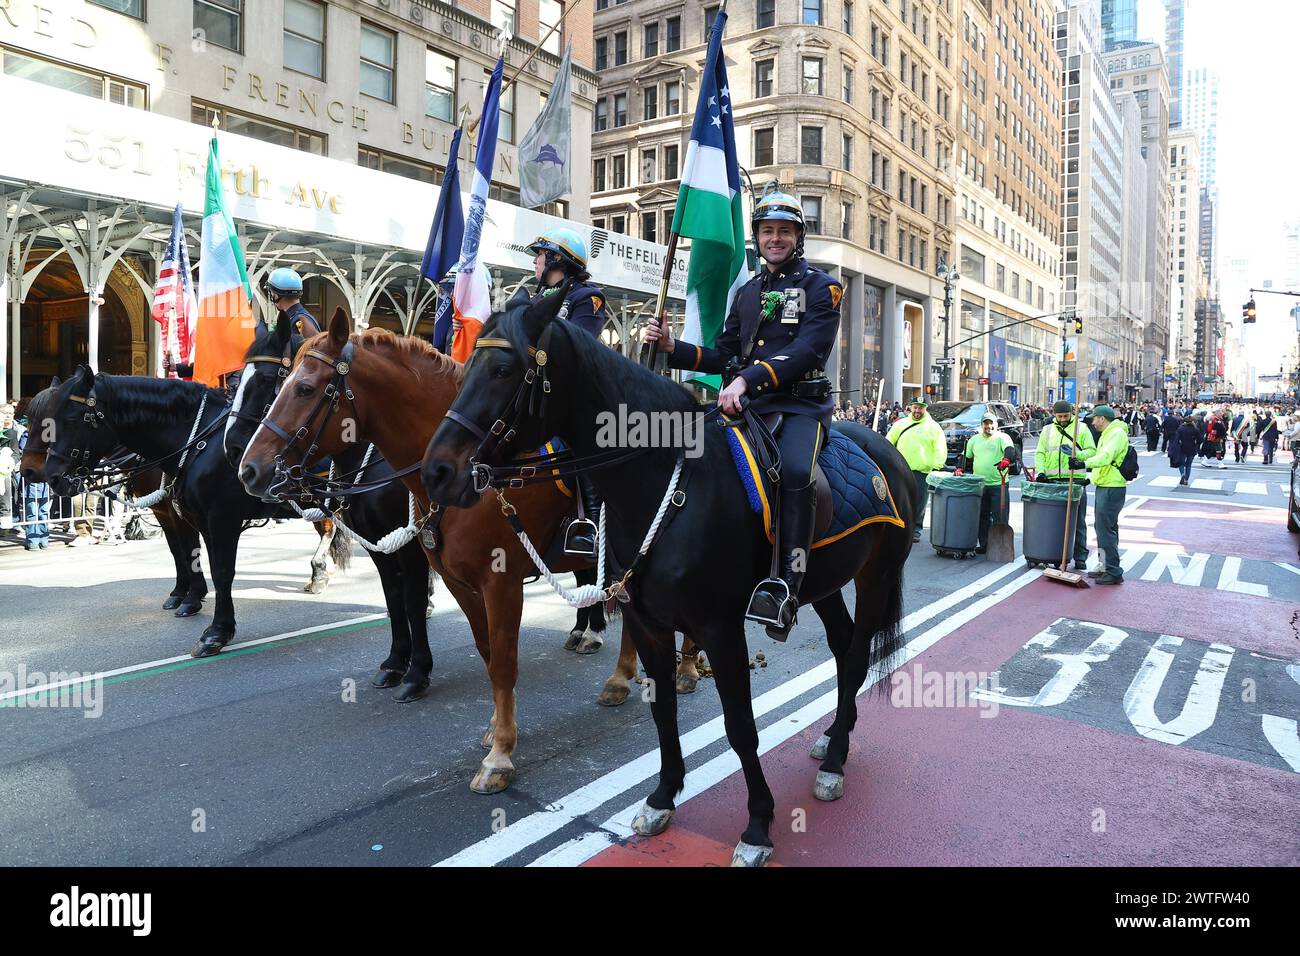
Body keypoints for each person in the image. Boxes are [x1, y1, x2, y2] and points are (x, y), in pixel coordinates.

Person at [645, 188, 841, 640]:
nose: (776, 239)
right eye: (768, 231)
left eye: (784, 231)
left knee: (795, 471)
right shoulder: (749, 292)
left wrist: (746, 380)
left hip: (800, 405)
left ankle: (786, 586)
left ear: (798, 237)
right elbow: (726, 355)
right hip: (749, 404)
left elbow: (808, 350)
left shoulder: (821, 286)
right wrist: (674, 349)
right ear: (757, 237)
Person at [522, 227, 610, 556]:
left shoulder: (587, 296)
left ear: (557, 259)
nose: (535, 263)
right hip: (536, 391)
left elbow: (580, 346)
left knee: (580, 444)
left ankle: (589, 524)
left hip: (576, 394)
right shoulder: (535, 299)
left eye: (539, 256)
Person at [1069, 405, 1129, 585]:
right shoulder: (1111, 433)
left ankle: (1113, 570)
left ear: (1102, 418)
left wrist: (1082, 463)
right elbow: (1106, 464)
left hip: (1112, 487)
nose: (1093, 422)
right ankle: (1106, 566)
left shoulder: (1116, 434)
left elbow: (1105, 458)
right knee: (1106, 528)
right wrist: (1090, 480)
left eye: (1094, 418)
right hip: (1107, 484)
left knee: (1105, 530)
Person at [1034, 399, 1096, 571]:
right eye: (1059, 416)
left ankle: (1080, 556)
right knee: (1055, 522)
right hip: (1053, 481)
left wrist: (1077, 455)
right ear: (1054, 414)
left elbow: (1092, 451)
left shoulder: (1081, 429)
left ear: (1072, 414)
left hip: (1075, 481)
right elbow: (1040, 453)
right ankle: (1056, 554)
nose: (1062, 419)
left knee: (1078, 521)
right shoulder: (1047, 430)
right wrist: (1040, 472)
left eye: (1065, 416)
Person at [886, 399, 947, 544]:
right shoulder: (900, 424)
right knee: (899, 499)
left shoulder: (933, 427)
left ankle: (916, 530)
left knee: (920, 502)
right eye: (915, 407)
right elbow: (888, 442)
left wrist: (937, 467)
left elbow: (940, 448)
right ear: (910, 407)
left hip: (922, 472)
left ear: (925, 409)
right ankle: (900, 527)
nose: (918, 411)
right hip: (901, 470)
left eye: (921, 408)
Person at [955, 413, 1015, 554]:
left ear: (996, 424)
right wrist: (959, 467)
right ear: (982, 425)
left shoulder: (1002, 437)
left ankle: (1000, 546)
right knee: (982, 516)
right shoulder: (974, 440)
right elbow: (965, 457)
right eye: (986, 424)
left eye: (991, 423)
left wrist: (1006, 459)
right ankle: (985, 544)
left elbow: (1010, 450)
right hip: (980, 484)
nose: (989, 426)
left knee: (1000, 516)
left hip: (998, 484)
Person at [0, 402, 21, 535]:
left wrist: (8, 462)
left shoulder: (11, 434)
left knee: (6, 497)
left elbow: (16, 453)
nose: (2, 422)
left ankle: (5, 526)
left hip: (5, 472)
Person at [1175, 416, 1200, 485]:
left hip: (1182, 447)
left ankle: (1182, 474)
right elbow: (1200, 440)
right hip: (1192, 447)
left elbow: (1176, 439)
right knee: (1188, 465)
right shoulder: (1195, 429)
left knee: (1181, 463)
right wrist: (1196, 443)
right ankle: (1186, 479)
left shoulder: (1180, 429)